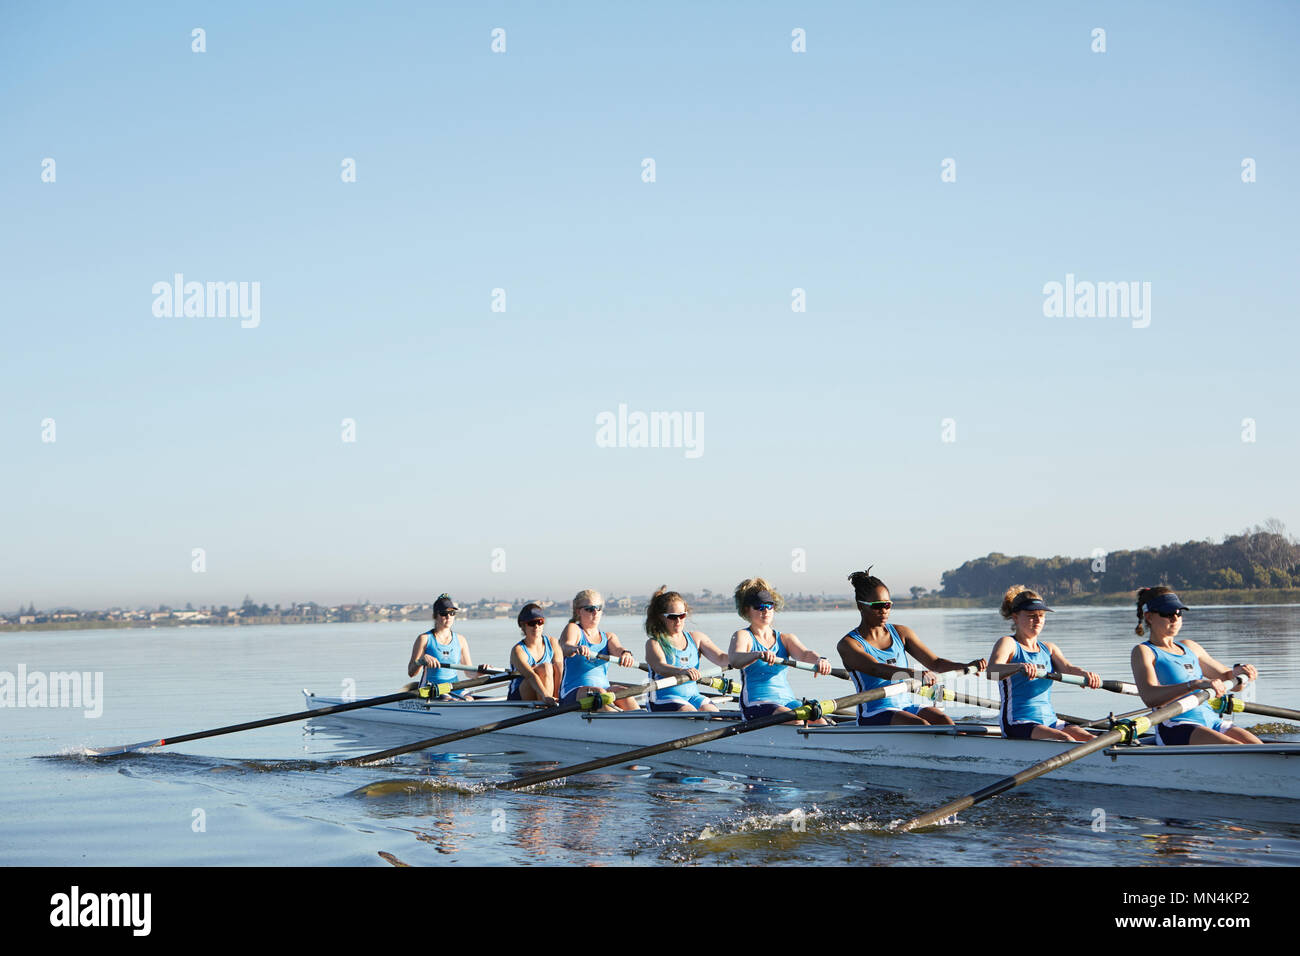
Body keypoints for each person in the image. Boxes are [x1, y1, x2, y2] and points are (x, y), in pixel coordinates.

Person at [838, 567, 987, 726]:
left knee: (945, 721)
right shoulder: (848, 644)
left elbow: (935, 663)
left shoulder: (902, 633)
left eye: (888, 605)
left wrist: (966, 666)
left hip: (905, 706)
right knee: (922, 726)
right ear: (861, 606)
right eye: (877, 606)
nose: (884, 611)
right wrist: (914, 673)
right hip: (874, 712)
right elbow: (877, 669)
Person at [1129, 586, 1260, 745]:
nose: (1175, 618)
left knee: (1258, 746)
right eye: (1167, 613)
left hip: (1213, 721)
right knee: (1237, 748)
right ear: (1149, 617)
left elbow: (1229, 680)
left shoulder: (1190, 647)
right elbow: (1150, 697)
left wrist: (1240, 672)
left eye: (1178, 612)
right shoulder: (1144, 651)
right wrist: (1193, 685)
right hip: (1176, 725)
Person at [987, 585, 1099, 741]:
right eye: (1032, 615)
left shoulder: (1049, 648)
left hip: (1050, 721)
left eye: (1041, 615)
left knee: (1091, 739)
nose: (1038, 620)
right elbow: (991, 672)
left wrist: (1085, 675)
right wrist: (1019, 667)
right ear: (1015, 617)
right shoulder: (1009, 643)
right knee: (1065, 740)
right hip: (1018, 722)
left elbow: (1068, 668)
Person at [728, 577, 832, 725]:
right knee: (795, 721)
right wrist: (758, 654)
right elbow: (735, 660)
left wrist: (819, 660)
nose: (765, 610)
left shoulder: (785, 638)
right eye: (759, 606)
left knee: (821, 723)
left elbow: (805, 654)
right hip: (756, 703)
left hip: (788, 701)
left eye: (769, 605)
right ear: (747, 610)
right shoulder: (743, 636)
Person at [643, 587, 730, 712]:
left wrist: (747, 657)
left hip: (692, 696)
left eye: (682, 615)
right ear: (661, 617)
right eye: (672, 617)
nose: (678, 621)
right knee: (690, 712)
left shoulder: (697, 638)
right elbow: (660, 667)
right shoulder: (654, 643)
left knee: (714, 712)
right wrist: (682, 671)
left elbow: (721, 658)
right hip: (662, 698)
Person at [557, 590, 640, 711]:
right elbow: (566, 647)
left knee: (622, 692)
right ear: (578, 611)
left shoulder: (609, 637)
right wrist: (576, 648)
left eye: (598, 608)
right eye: (589, 609)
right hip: (573, 693)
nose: (595, 612)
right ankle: (620, 722)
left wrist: (626, 654)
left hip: (603, 691)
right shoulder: (574, 628)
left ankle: (641, 719)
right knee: (599, 693)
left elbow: (618, 649)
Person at [407, 594, 480, 700]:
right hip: (431, 687)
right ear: (435, 616)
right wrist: (421, 660)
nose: (448, 616)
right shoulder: (424, 639)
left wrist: (480, 672)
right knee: (449, 700)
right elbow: (411, 672)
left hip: (454, 686)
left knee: (470, 699)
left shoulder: (461, 640)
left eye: (452, 613)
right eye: (443, 613)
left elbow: (469, 673)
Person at [507, 603, 563, 705]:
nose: (536, 626)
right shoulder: (518, 650)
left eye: (540, 622)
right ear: (523, 626)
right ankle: (546, 707)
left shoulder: (553, 643)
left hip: (546, 694)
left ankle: (555, 703)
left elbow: (560, 670)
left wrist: (558, 699)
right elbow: (530, 676)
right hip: (519, 696)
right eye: (532, 623)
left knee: (558, 666)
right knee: (545, 668)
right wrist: (546, 696)